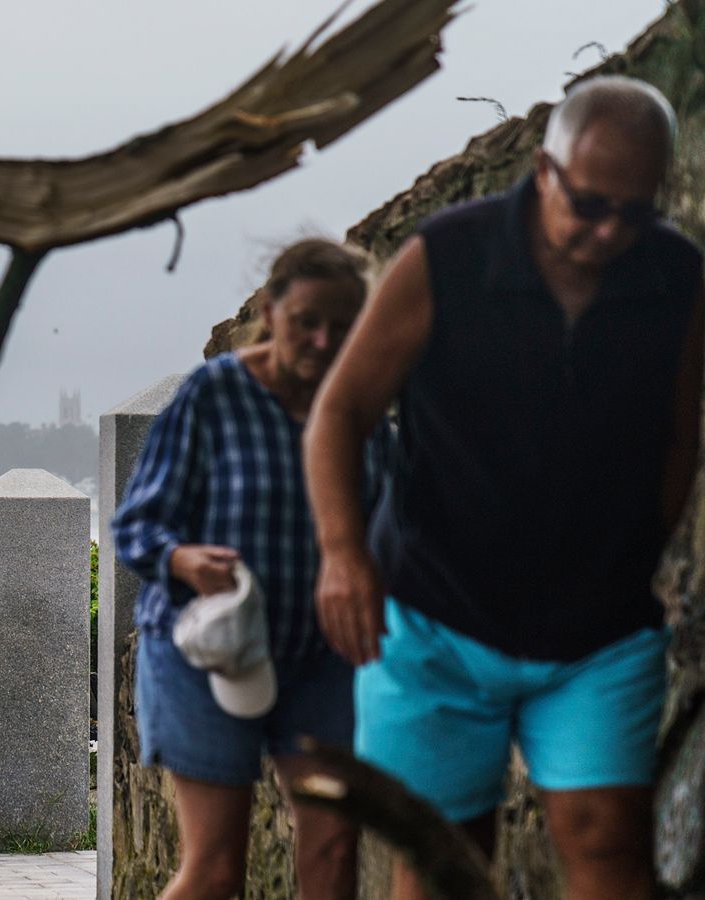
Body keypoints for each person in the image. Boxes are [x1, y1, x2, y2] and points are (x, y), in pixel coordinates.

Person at [304, 76, 702, 900]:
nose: (608, 233)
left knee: (611, 849)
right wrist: (343, 555)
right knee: (446, 858)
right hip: (432, 620)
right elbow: (338, 412)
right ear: (544, 170)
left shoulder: (676, 278)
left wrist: (635, 558)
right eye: (590, 205)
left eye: (634, 212)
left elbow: (677, 439)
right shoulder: (447, 257)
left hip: (598, 630)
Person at [114, 238, 389, 900]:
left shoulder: (362, 408)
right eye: (306, 322)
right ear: (271, 309)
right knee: (214, 869)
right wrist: (181, 558)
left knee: (333, 847)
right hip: (208, 653)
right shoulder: (216, 394)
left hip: (323, 657)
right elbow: (135, 527)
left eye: (343, 326)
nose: (324, 341)